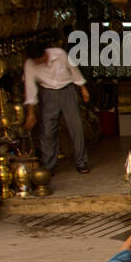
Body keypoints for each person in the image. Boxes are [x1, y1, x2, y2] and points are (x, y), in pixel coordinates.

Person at [23, 32, 90, 176]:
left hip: (67, 90)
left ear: (45, 54)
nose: (38, 63)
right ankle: (48, 165)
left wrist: (83, 87)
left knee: (76, 126)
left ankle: (81, 162)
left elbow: (74, 70)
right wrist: (30, 112)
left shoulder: (59, 54)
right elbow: (30, 87)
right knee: (47, 130)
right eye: (35, 62)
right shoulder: (29, 64)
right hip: (48, 93)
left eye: (39, 60)